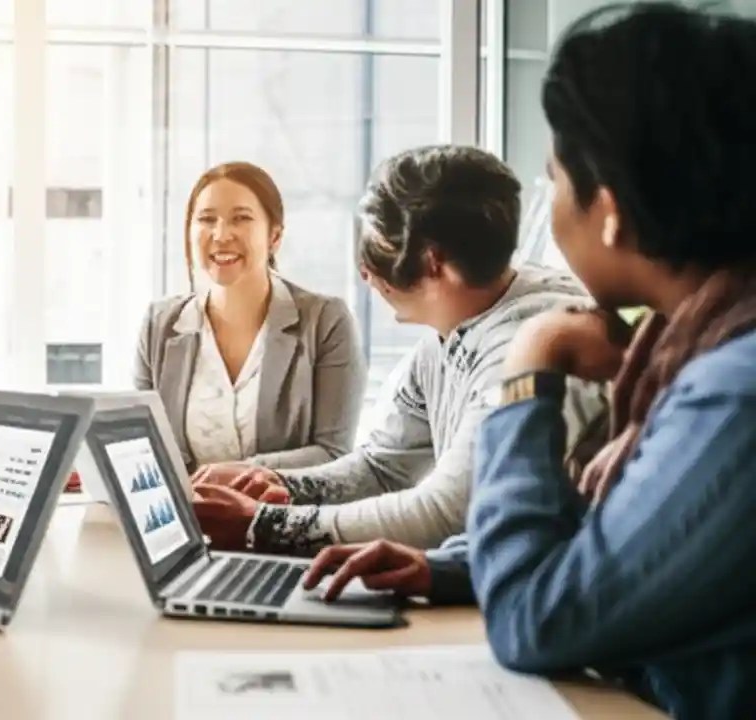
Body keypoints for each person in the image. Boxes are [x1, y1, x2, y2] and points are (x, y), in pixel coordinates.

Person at [466, 4, 756, 716]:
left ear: (612, 208)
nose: (550, 208)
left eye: (555, 180)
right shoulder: (694, 347)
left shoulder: (733, 392)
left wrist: (529, 364)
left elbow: (535, 620)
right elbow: (634, 545)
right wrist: (445, 567)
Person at [192, 146, 605, 554]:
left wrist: (263, 525)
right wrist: (279, 484)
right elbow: (383, 467)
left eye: (376, 251)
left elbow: (447, 512)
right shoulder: (455, 326)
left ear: (432, 261)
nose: (365, 272)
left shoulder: (524, 348)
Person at [135, 161, 367, 474]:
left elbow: (333, 454)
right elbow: (141, 447)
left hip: (287, 506)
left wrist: (239, 475)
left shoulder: (326, 321)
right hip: (184, 506)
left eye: (241, 218)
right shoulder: (159, 325)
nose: (221, 235)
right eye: (206, 219)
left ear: (274, 236)